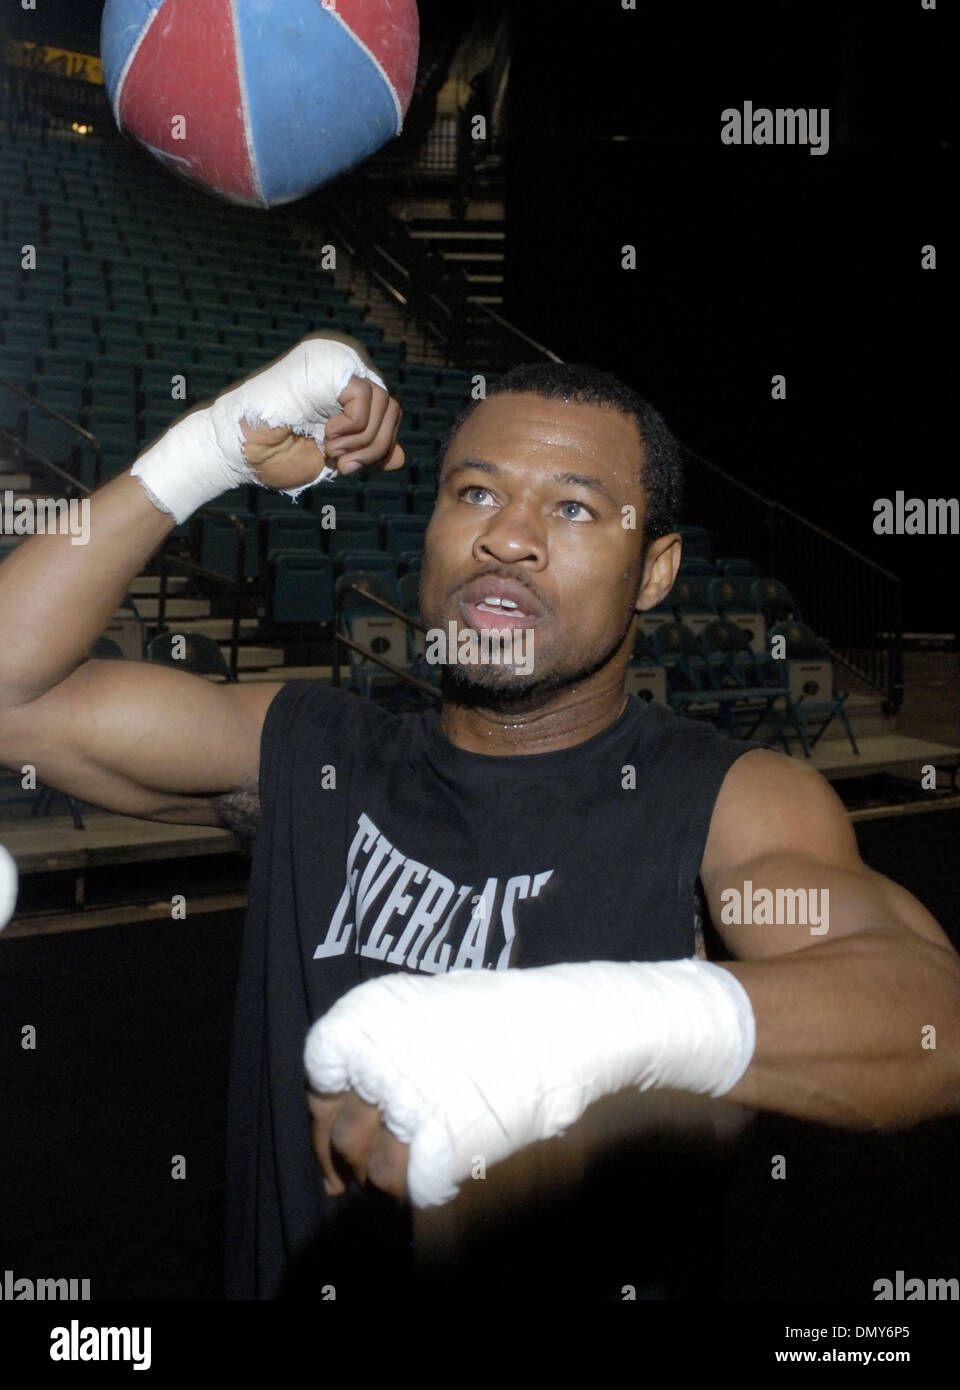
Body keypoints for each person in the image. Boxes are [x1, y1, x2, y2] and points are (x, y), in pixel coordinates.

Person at [0, 338, 957, 1302]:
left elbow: (930, 1016)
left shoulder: (725, 799)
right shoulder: (312, 753)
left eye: (573, 508)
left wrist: (573, 1034)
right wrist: (207, 450)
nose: (508, 536)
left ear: (654, 571)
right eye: (475, 492)